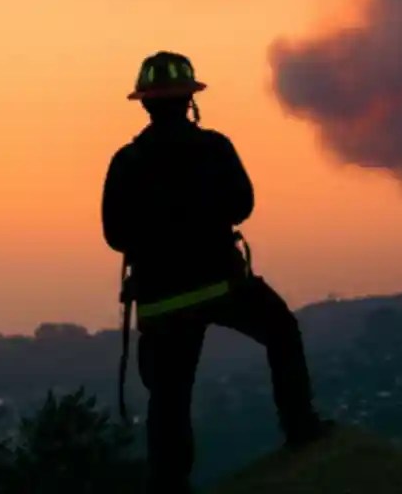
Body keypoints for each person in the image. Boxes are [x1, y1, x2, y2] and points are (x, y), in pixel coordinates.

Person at [101, 51, 331, 493]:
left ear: (145, 103)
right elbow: (243, 205)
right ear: (190, 100)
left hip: (163, 301)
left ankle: (171, 484)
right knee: (281, 331)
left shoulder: (127, 162)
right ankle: (299, 426)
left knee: (170, 397)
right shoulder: (214, 148)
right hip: (222, 284)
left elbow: (115, 235)